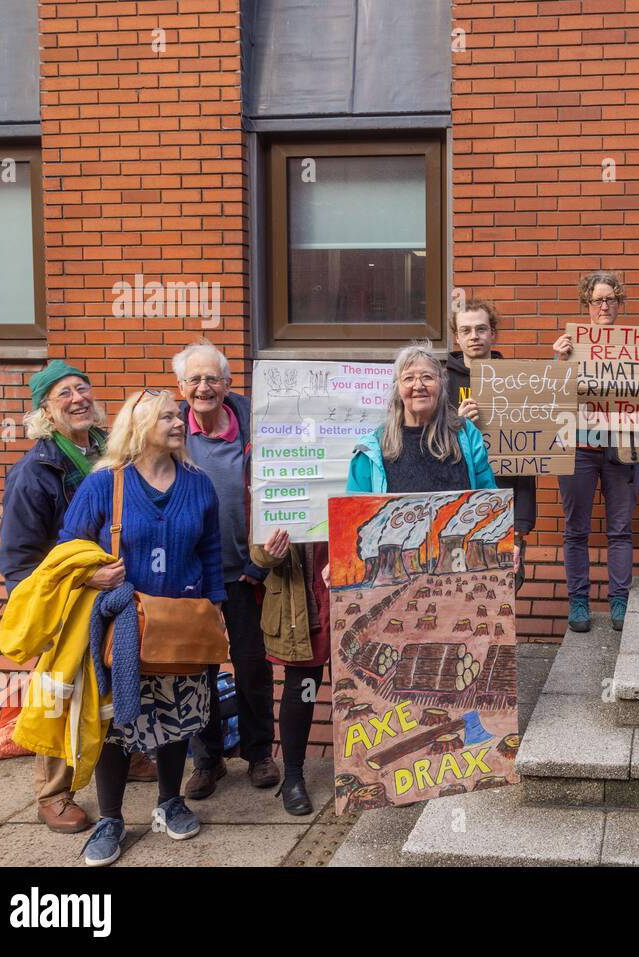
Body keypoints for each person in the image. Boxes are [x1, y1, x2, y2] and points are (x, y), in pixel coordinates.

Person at [59, 389, 226, 866]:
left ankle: (169, 802)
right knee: (116, 724)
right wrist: (90, 574)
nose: (179, 423)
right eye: (167, 417)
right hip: (122, 627)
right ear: (139, 428)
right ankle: (111, 818)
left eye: (178, 416)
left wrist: (214, 605)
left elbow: (211, 550)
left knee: (177, 719)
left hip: (181, 623)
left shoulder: (198, 483)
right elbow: (68, 548)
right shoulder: (103, 484)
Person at [0, 360, 152, 835]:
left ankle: (123, 753)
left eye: (82, 388)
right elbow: (20, 561)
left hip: (116, 594)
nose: (78, 399)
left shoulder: (114, 451)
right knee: (59, 692)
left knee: (116, 677)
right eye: (64, 393)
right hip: (65, 603)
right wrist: (79, 583)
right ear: (45, 410)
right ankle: (53, 793)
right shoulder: (35, 472)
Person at [173, 340, 278, 800]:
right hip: (192, 578)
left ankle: (258, 754)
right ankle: (207, 759)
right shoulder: (170, 432)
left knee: (253, 666)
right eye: (194, 379)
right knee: (198, 671)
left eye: (212, 378)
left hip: (247, 572)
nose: (204, 387)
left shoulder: (258, 425)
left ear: (228, 383)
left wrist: (262, 562)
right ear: (181, 387)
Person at [553, 272, 639, 632]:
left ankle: (619, 599)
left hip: (621, 447)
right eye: (596, 300)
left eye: (610, 299)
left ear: (619, 304)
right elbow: (553, 399)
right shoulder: (569, 345)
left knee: (620, 529)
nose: (603, 306)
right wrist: (559, 363)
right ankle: (578, 602)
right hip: (578, 447)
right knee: (576, 530)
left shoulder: (636, 347)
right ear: (586, 305)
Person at [444, 298, 538, 584]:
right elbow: (427, 446)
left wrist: (521, 524)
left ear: (493, 333)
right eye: (467, 330)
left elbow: (527, 455)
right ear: (457, 337)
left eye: (481, 329)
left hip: (504, 505)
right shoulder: (440, 382)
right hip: (454, 510)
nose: (474, 336)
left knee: (506, 590)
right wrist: (456, 423)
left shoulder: (516, 380)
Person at [347, 343, 497, 495]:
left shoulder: (466, 434)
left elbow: (490, 502)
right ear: (397, 388)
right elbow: (355, 513)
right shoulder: (372, 448)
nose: (418, 386)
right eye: (408, 378)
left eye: (427, 377)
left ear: (441, 385)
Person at [248, 531, 328, 816]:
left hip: (348, 589)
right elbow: (258, 553)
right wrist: (270, 552)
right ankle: (293, 776)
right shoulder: (274, 486)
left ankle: (377, 772)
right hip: (301, 602)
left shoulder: (348, 481)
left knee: (366, 681)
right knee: (302, 688)